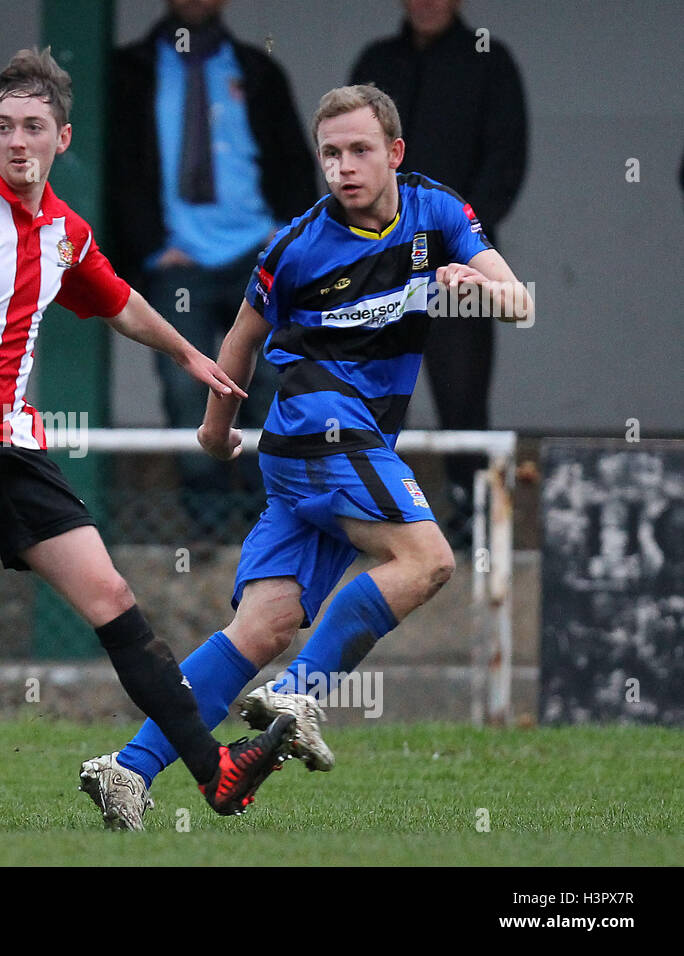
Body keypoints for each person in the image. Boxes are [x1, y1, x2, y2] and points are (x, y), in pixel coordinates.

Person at [0, 48, 297, 816]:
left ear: (61, 139)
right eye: (2, 126)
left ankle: (216, 772)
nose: (17, 141)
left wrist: (191, 354)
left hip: (8, 438)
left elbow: (118, 300)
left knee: (108, 594)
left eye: (33, 126)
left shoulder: (64, 232)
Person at [79, 84, 533, 829]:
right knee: (429, 561)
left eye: (359, 151)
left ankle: (128, 769)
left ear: (394, 154)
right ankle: (299, 693)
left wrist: (474, 284)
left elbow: (518, 301)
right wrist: (214, 430)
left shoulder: (437, 211)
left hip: (325, 450)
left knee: (260, 627)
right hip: (320, 427)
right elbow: (238, 343)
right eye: (330, 154)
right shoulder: (296, 246)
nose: (344, 167)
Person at [109, 0, 317, 537]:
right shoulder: (127, 71)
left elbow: (297, 160)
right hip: (179, 260)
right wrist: (150, 248)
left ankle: (269, 518)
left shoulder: (256, 68)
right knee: (187, 389)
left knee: (272, 379)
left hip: (259, 251)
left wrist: (287, 236)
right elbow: (114, 168)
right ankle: (206, 525)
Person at [349, 0, 528, 547]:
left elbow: (506, 162)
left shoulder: (490, 61)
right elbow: (348, 157)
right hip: (378, 259)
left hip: (462, 263)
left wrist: (462, 238)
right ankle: (360, 515)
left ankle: (472, 516)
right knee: (359, 390)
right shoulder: (377, 61)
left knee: (462, 395)